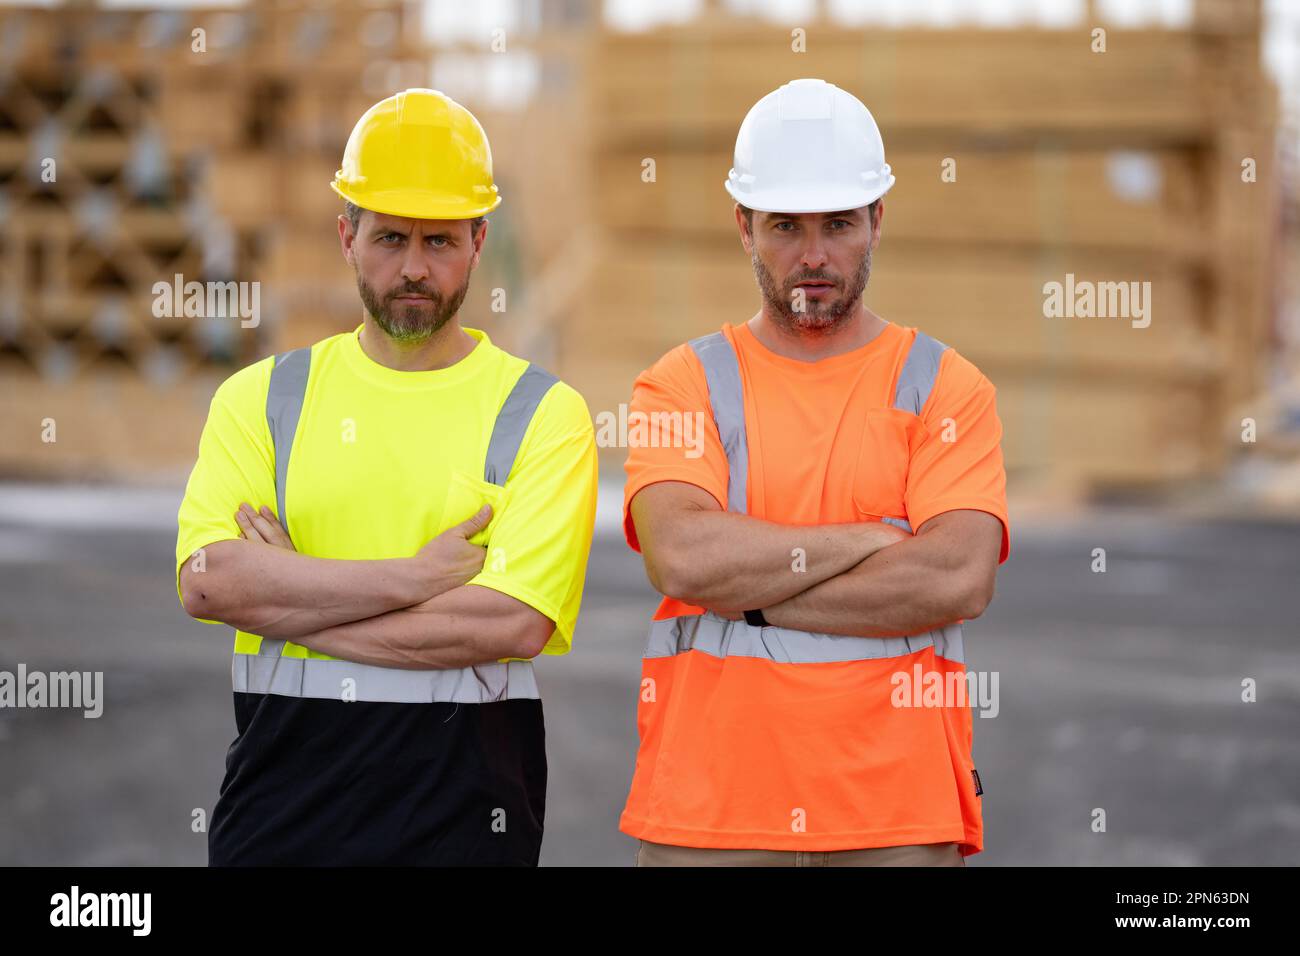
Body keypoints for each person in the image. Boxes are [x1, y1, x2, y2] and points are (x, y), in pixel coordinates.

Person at [175, 88, 598, 865]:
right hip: (279, 819)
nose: (412, 267)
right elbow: (209, 583)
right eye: (390, 237)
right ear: (346, 234)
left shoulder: (542, 413)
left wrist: (290, 593)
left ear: (479, 241)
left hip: (466, 823)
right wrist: (418, 576)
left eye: (439, 241)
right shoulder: (263, 400)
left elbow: (509, 624)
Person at [619, 78, 1010, 867]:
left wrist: (751, 600)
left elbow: (956, 577)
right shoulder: (680, 382)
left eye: (838, 224)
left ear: (877, 221)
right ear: (744, 227)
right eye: (785, 227)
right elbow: (685, 557)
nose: (813, 256)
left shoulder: (946, 386)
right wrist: (874, 538)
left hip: (895, 814)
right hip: (711, 813)